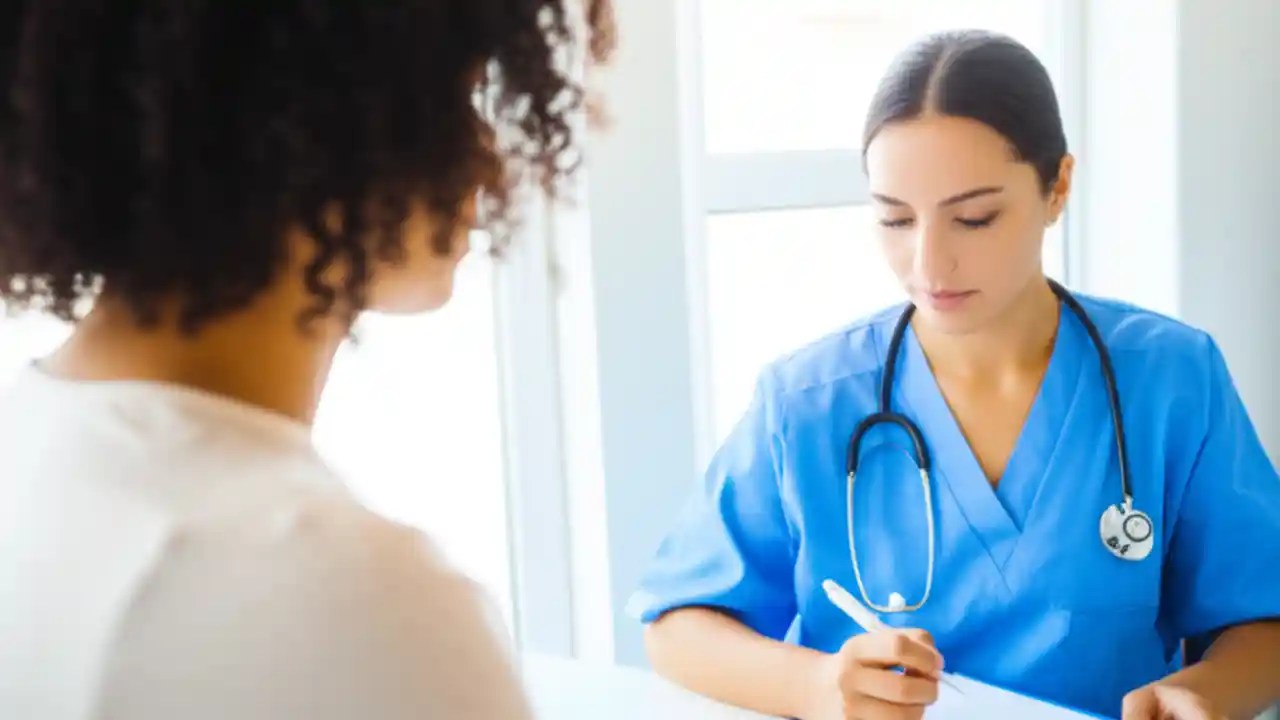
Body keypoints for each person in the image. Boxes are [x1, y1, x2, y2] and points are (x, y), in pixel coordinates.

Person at [630, 29, 1280, 720]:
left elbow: (1265, 618)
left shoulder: (1171, 379)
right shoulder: (809, 402)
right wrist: (816, 688)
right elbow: (676, 626)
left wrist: (1201, 694)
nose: (929, 265)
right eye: (895, 219)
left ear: (1057, 185)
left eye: (974, 218)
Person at [0, 2, 612, 718]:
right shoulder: (344, 596)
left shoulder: (33, 443)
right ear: (317, 120)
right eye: (456, 101)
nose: (488, 164)